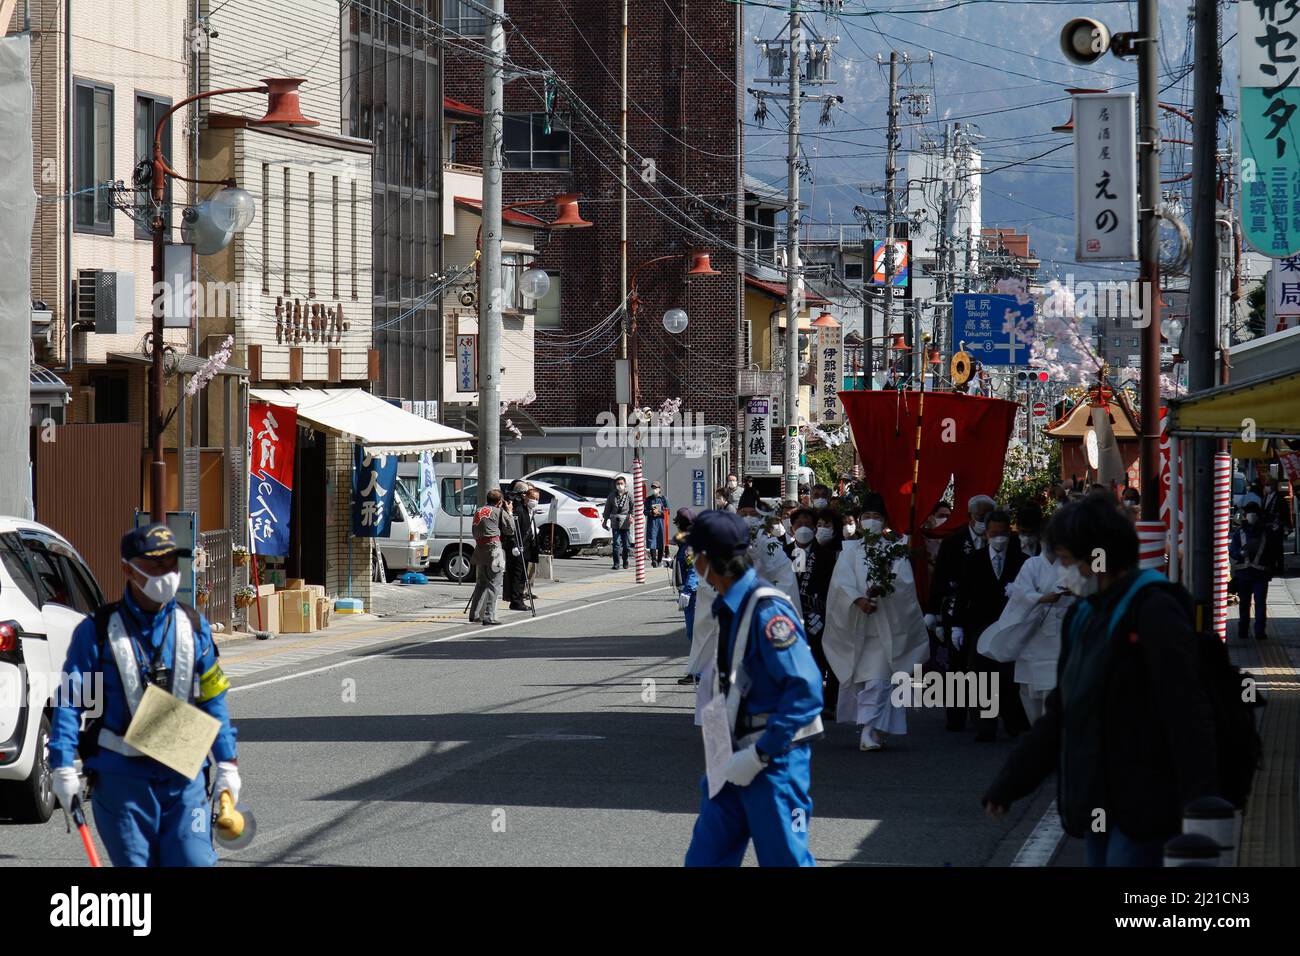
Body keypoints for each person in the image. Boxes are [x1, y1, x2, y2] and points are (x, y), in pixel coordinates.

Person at [983, 495, 1219, 867]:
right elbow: (1063, 712)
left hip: (1147, 800)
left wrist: (1201, 802)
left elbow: (1185, 708)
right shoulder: (1084, 615)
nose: (1064, 571)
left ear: (1097, 556)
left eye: (1066, 560)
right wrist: (1011, 782)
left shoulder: (1155, 610)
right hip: (1096, 798)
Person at [48, 524, 239, 867]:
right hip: (122, 781)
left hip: (184, 777)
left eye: (171, 564)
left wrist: (227, 761)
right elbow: (69, 701)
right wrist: (62, 764)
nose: (165, 574)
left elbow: (213, 699)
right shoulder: (97, 631)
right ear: (128, 569)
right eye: (154, 566)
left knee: (194, 861)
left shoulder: (194, 626)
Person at [683, 510, 824, 867]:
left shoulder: (767, 610)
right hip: (730, 754)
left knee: (785, 862)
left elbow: (805, 691)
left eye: (692, 555)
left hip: (772, 760)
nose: (691, 563)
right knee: (704, 860)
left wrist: (761, 753)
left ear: (706, 560)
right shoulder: (731, 606)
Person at [824, 495, 929, 751]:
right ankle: (877, 729)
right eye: (866, 517)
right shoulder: (850, 551)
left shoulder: (895, 549)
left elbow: (903, 582)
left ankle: (868, 732)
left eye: (876, 517)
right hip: (858, 625)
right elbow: (840, 583)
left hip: (887, 627)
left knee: (879, 682)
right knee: (866, 683)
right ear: (860, 522)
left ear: (884, 522)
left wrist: (884, 588)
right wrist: (858, 599)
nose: (871, 522)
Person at [951, 509, 1030, 741]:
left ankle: (1013, 722)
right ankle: (985, 725)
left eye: (1004, 533)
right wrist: (957, 625)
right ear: (986, 533)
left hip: (1010, 626)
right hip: (980, 625)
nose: (999, 538)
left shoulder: (1022, 561)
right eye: (994, 533)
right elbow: (962, 594)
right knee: (982, 676)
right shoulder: (973, 561)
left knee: (1008, 676)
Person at [978, 540, 1073, 725]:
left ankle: (1053, 734)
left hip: (1061, 634)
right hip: (1034, 632)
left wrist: (1073, 592)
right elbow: (1020, 594)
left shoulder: (1071, 565)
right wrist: (1040, 598)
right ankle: (1038, 731)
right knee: (1031, 691)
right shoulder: (1031, 564)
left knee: (1055, 687)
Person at [927, 494, 995, 704]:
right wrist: (933, 612)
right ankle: (956, 714)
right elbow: (939, 578)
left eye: (987, 517)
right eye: (979, 516)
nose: (983, 521)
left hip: (988, 611)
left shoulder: (998, 540)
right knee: (957, 663)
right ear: (969, 516)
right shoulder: (953, 542)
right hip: (956, 609)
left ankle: (984, 712)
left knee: (985, 664)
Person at [788, 508, 841, 716]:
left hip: (819, 614)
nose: (803, 529)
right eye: (798, 525)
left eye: (808, 525)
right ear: (791, 529)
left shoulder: (827, 556)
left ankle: (826, 702)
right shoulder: (783, 552)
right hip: (791, 613)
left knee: (822, 658)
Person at [1230, 501, 1272, 641]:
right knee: (1249, 604)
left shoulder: (1266, 531)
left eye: (1253, 513)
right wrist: (1240, 553)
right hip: (1248, 574)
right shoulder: (1240, 532)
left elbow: (1273, 551)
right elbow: (1232, 550)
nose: (1251, 515)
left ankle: (1257, 631)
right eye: (1249, 513)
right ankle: (1245, 631)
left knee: (1256, 604)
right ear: (1245, 515)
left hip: (1256, 574)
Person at [469, 489, 505, 626]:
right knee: (495, 583)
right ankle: (489, 616)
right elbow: (510, 528)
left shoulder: (478, 510)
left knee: (481, 583)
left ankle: (474, 614)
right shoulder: (499, 511)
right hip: (494, 548)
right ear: (499, 502)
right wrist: (509, 512)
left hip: (479, 548)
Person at [673, 508, 700, 685]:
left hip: (695, 594)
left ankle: (699, 672)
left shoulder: (690, 542)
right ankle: (695, 671)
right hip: (691, 592)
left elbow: (694, 569)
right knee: (694, 635)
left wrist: (687, 591)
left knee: (696, 634)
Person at [503, 482, 532, 611]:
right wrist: (514, 544)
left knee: (521, 576)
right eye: (526, 494)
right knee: (517, 574)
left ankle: (519, 598)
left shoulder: (523, 507)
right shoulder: (516, 508)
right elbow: (512, 528)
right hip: (517, 547)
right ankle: (515, 600)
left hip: (525, 546)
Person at [1261, 476, 1292, 576]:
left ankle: (1279, 568)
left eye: (1267, 485)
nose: (1266, 487)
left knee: (1277, 548)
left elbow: (1285, 513)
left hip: (1276, 527)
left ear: (1272, 486)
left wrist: (1286, 525)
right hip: (1267, 527)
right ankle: (1271, 567)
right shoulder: (1266, 497)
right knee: (1269, 548)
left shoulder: (1279, 498)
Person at [603, 477, 633, 570]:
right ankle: (616, 563)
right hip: (615, 521)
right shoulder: (612, 496)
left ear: (625, 484)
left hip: (625, 522)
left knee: (626, 544)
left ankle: (625, 561)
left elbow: (633, 507)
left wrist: (632, 516)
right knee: (616, 543)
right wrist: (605, 520)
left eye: (621, 483)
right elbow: (607, 509)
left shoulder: (629, 495)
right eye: (618, 484)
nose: (620, 485)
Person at [645, 481, 670, 567]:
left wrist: (660, 512)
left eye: (656, 488)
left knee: (660, 540)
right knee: (652, 540)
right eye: (653, 488)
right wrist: (651, 512)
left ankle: (659, 560)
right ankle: (653, 560)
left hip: (661, 522)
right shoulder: (648, 499)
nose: (654, 490)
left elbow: (668, 511)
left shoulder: (663, 499)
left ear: (659, 489)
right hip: (652, 522)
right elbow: (645, 511)